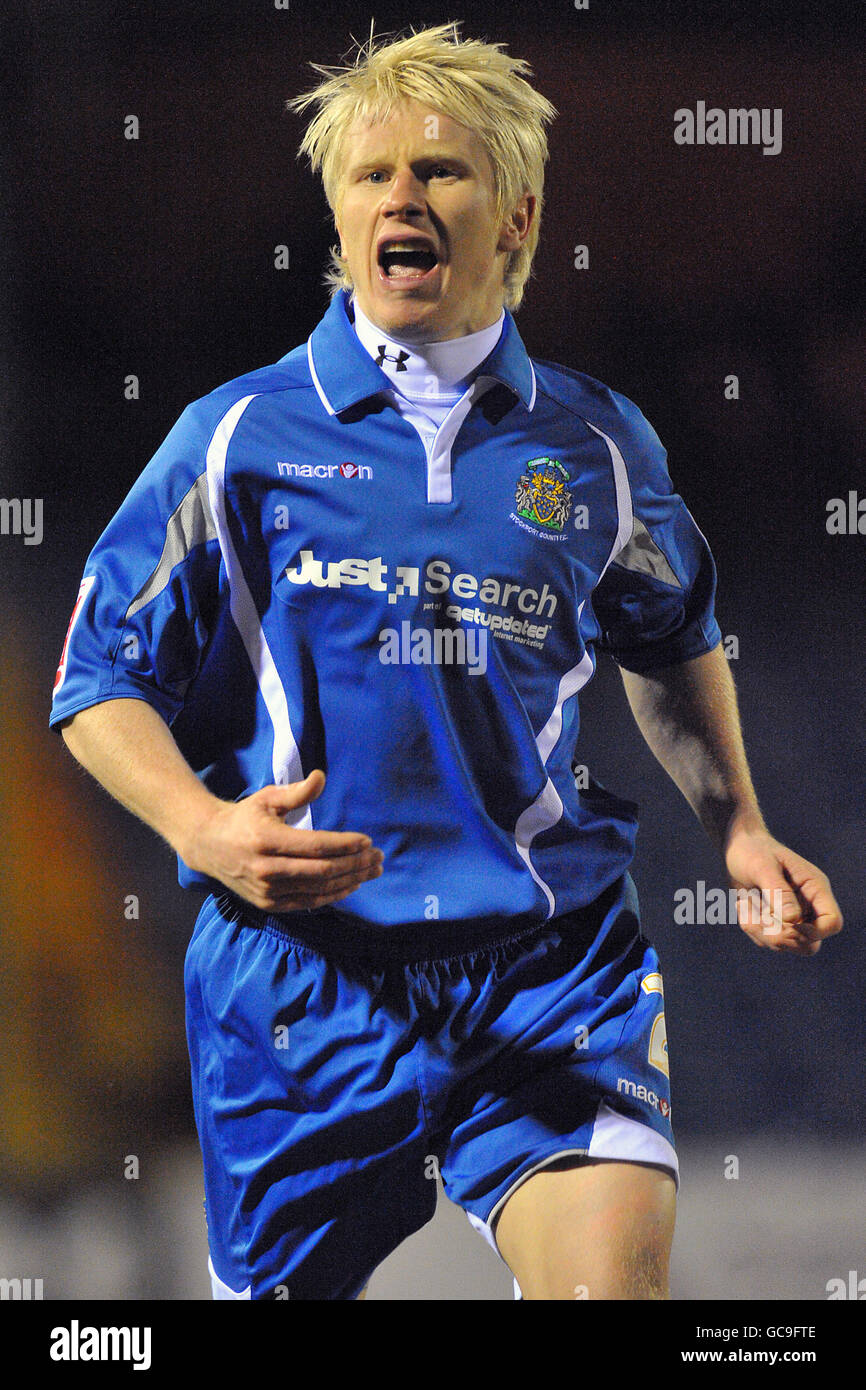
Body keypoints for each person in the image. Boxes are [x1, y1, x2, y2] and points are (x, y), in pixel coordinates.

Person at [50, 23, 842, 1301]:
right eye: (372, 177)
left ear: (516, 213)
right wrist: (201, 826)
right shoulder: (236, 438)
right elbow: (96, 678)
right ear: (338, 215)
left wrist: (739, 829)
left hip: (544, 964)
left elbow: (668, 632)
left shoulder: (594, 443)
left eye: (441, 170)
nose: (401, 199)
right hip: (300, 983)